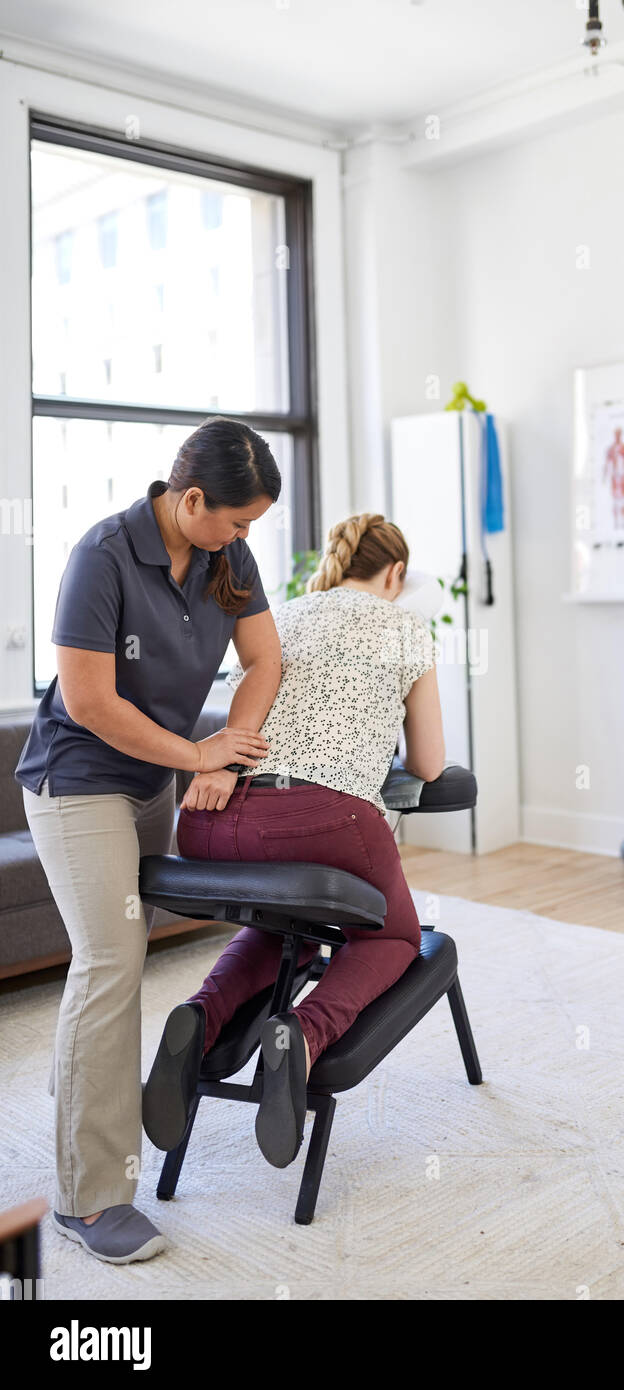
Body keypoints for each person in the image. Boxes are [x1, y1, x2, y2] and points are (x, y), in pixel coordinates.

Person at [15, 417, 285, 1263]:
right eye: (238, 523)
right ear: (192, 498)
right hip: (77, 780)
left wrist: (228, 755)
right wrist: (194, 753)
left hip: (149, 781)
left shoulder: (223, 558)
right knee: (110, 960)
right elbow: (90, 702)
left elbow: (265, 662)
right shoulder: (101, 555)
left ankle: (76, 1127)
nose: (244, 541)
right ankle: (88, 1200)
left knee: (125, 960)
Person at [143, 512, 445, 1174]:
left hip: (210, 817)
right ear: (394, 573)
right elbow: (427, 762)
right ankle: (303, 1036)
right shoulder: (407, 629)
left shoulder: (281, 616)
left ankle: (202, 1014)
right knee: (393, 936)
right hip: (323, 819)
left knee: (291, 923)